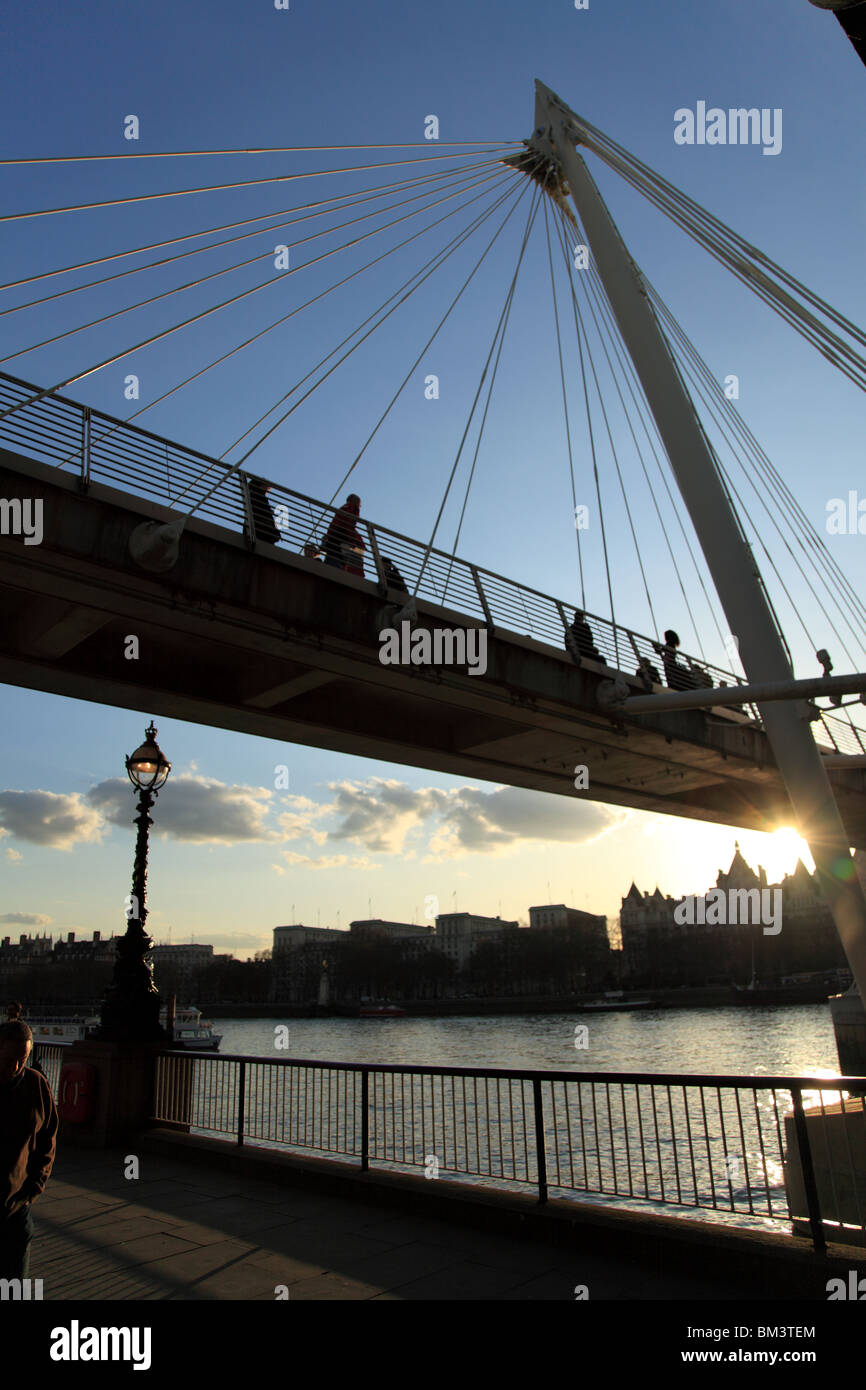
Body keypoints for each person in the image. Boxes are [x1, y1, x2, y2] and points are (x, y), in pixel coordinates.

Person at [0, 1018, 58, 1280]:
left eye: (22, 1059)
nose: (15, 1067)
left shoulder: (36, 1085)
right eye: (9, 1058)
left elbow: (48, 1136)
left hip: (16, 1208)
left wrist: (35, 1186)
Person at [322, 494, 365, 576]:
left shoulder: (343, 508)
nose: (360, 507)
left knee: (331, 561)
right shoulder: (351, 507)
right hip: (339, 540)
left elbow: (337, 524)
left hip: (333, 540)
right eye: (360, 505)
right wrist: (351, 539)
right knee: (336, 566)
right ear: (355, 502)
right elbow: (348, 524)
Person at [245, 474, 281, 546]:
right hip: (262, 530)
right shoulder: (259, 496)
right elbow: (262, 511)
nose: (268, 490)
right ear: (262, 485)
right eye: (267, 488)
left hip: (255, 528)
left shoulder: (251, 495)